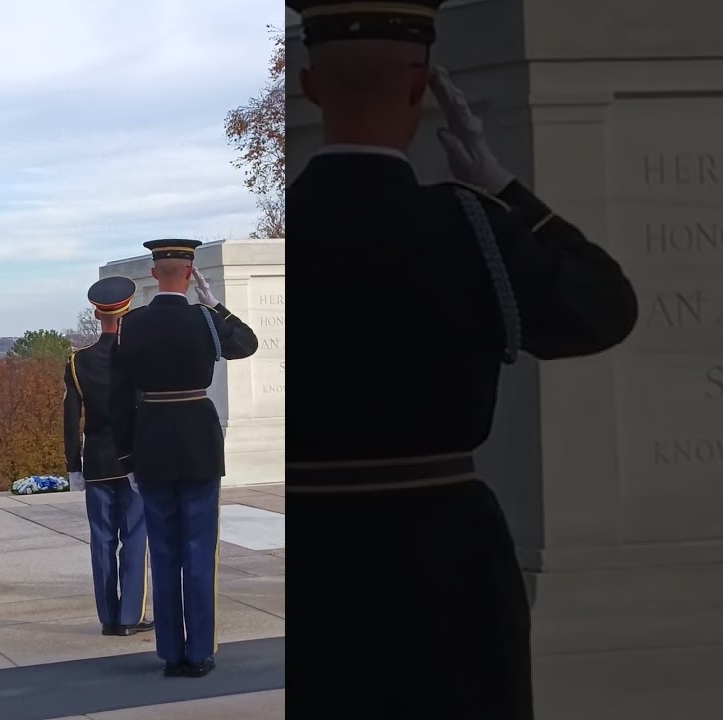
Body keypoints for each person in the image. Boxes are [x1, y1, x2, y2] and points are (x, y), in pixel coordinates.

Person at [285, 1, 640, 719]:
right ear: (421, 88)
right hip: (444, 556)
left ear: (309, 86)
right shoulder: (472, 226)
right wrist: (506, 187)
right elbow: (606, 308)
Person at [109, 240, 259, 678]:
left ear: (154, 275)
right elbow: (247, 344)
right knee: (198, 550)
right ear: (191, 275)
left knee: (164, 548)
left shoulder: (131, 325)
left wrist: (127, 457)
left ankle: (171, 653)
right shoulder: (205, 321)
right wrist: (216, 305)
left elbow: (119, 398)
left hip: (152, 440)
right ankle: (200, 654)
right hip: (198, 441)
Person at [63, 276, 154, 638]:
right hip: (136, 459)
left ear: (98, 314)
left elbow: (71, 419)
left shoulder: (77, 362)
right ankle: (131, 616)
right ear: (126, 311)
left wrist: (74, 466)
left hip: (98, 463)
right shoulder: (138, 357)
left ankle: (109, 617)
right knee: (134, 537)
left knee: (101, 540)